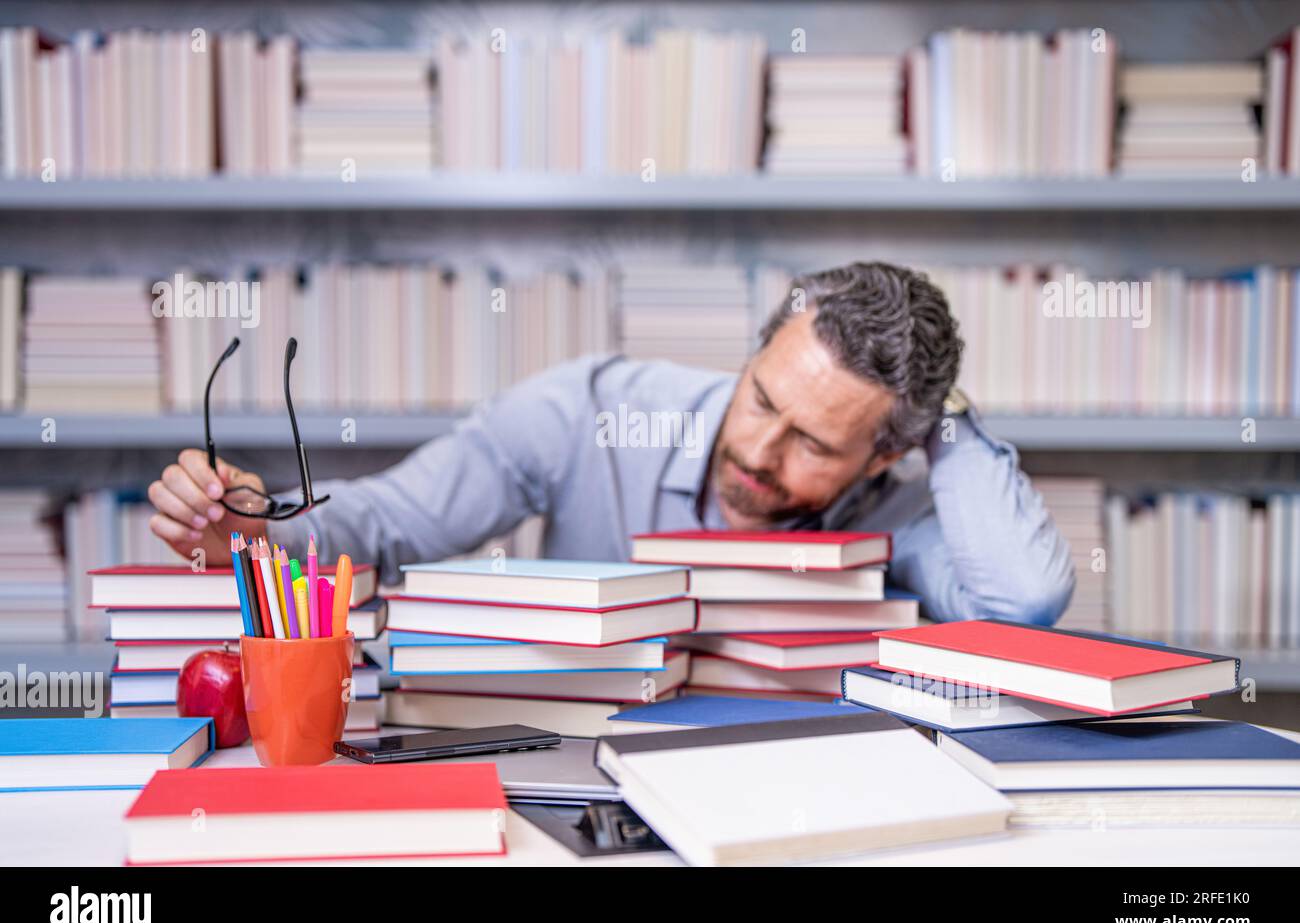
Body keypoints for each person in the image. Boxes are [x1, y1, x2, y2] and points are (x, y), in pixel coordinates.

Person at [147, 261, 1075, 624]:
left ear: (885, 454)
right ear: (750, 355)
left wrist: (946, 416)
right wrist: (255, 531)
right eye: (760, 400)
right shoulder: (585, 412)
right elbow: (389, 522)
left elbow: (1021, 600)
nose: (760, 451)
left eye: (816, 445)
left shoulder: (905, 506)